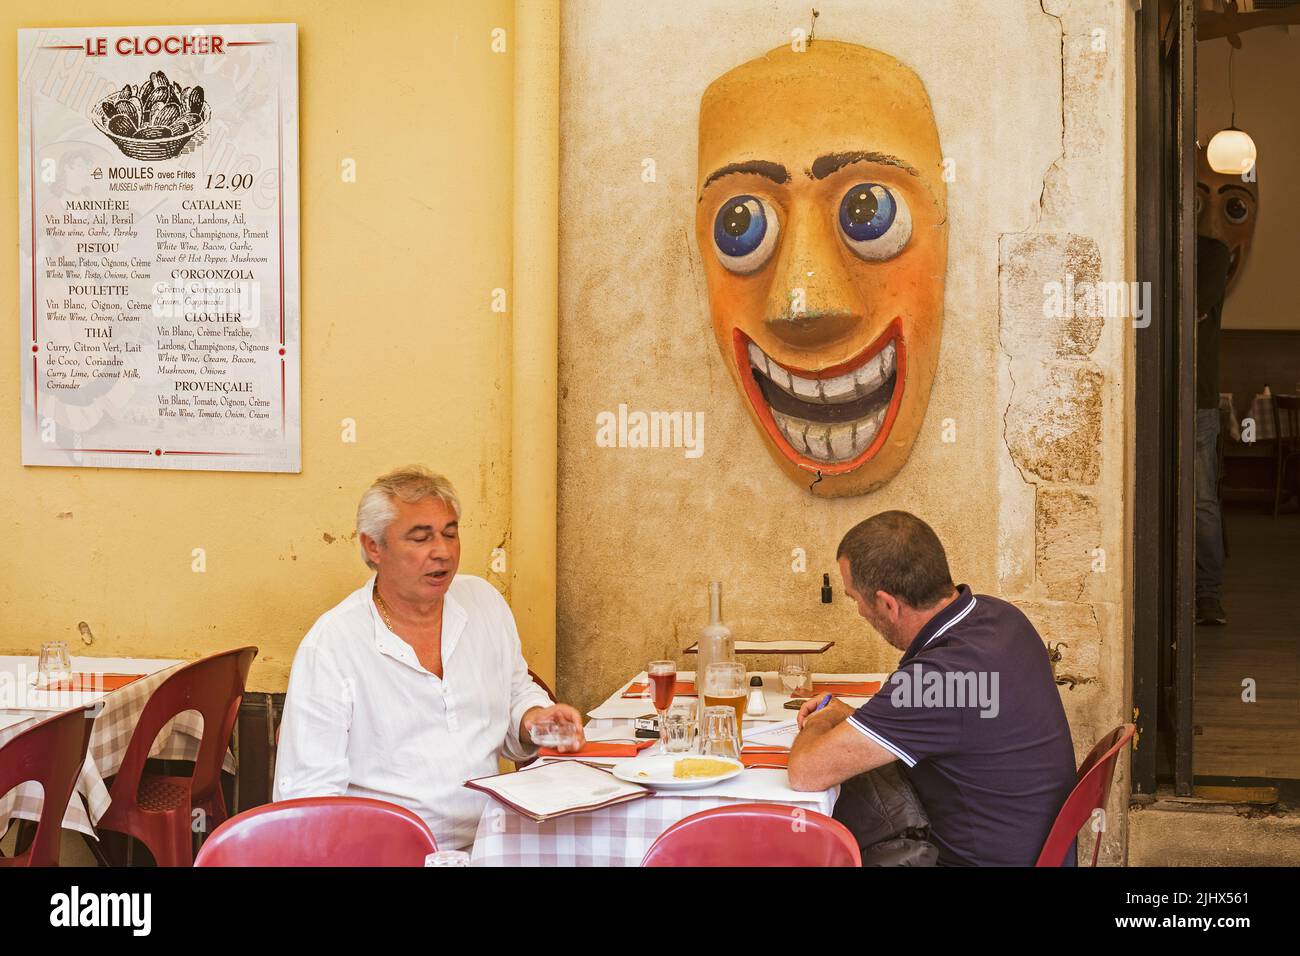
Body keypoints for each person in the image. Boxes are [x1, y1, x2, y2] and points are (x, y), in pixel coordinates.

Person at [274, 466, 584, 851]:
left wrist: (536, 719)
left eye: (450, 534)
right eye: (420, 538)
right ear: (373, 547)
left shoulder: (483, 603)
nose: (443, 551)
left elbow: (515, 694)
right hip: (387, 854)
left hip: (494, 841)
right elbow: (308, 798)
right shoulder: (333, 645)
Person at [787, 511, 1078, 866]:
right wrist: (851, 718)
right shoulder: (1001, 617)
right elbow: (953, 717)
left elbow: (806, 772)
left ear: (888, 604)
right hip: (1035, 846)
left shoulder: (935, 678)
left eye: (855, 599)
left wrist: (820, 718)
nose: (860, 611)